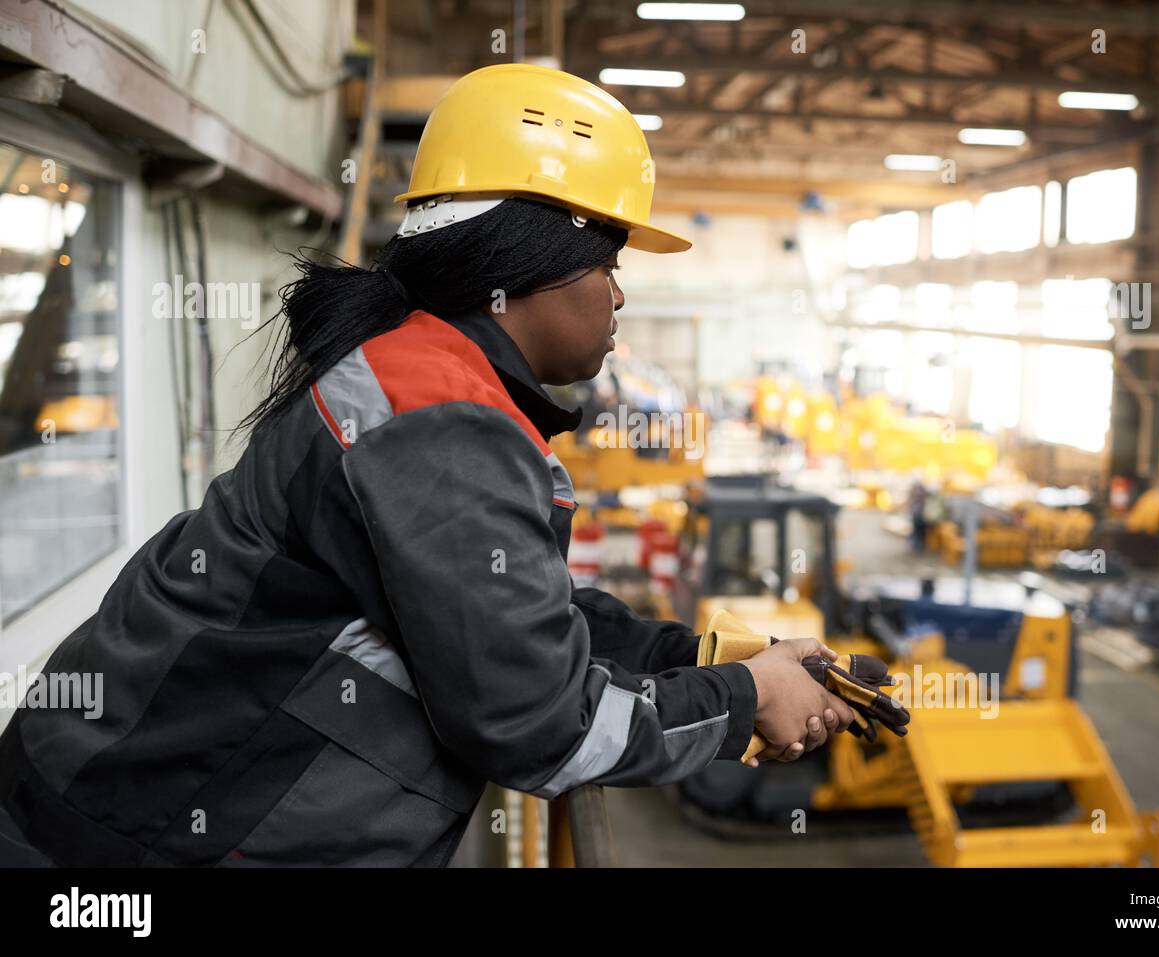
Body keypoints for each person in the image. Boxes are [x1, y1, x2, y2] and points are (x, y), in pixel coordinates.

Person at [0, 64, 854, 867]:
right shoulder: (439, 419)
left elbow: (504, 612)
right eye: (609, 261)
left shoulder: (422, 373)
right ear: (529, 258)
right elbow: (539, 723)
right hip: (118, 848)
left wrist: (708, 654)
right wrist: (741, 699)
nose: (620, 293)